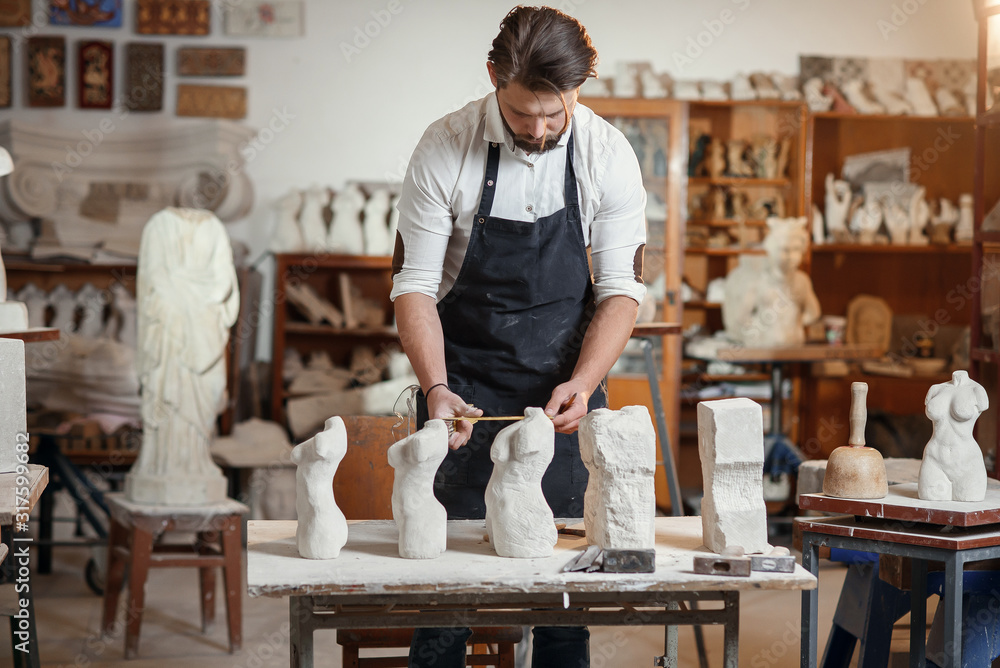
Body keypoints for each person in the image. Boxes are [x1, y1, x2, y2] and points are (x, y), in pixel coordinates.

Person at [391, 7, 646, 667]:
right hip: (462, 392)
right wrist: (436, 388)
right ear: (493, 77)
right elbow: (413, 286)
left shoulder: (606, 154)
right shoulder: (443, 146)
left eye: (553, 115)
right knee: (447, 589)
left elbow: (621, 292)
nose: (537, 130)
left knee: (563, 601)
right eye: (521, 113)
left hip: (565, 391)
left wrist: (585, 384)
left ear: (581, 87)